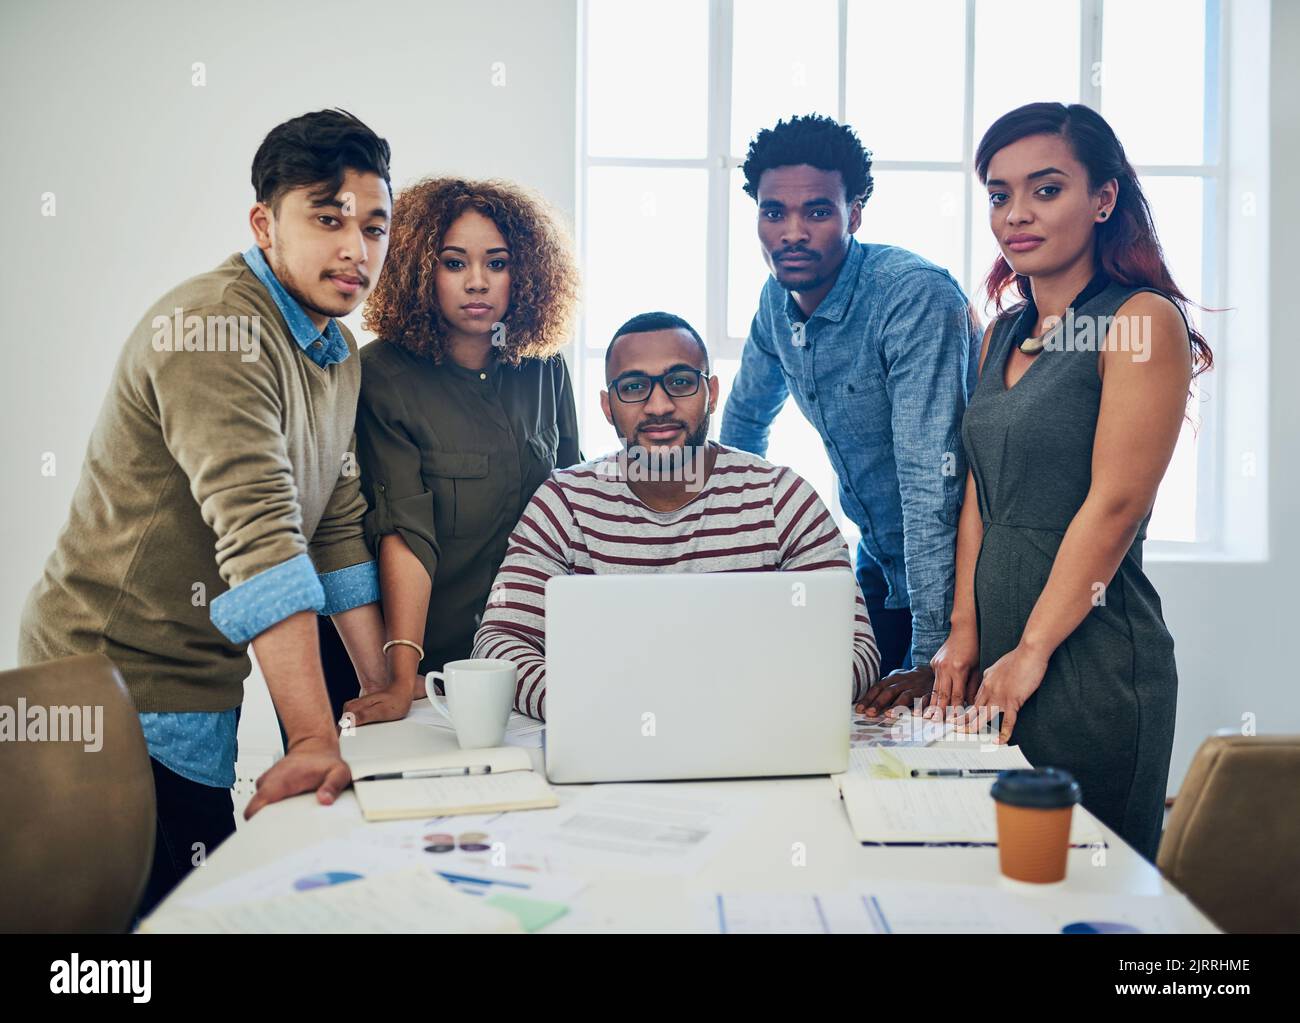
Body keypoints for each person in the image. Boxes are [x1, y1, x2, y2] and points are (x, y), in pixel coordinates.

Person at [18, 109, 409, 916]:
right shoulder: (215, 329)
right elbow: (262, 540)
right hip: (104, 691)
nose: (355, 249)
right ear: (264, 223)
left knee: (203, 903)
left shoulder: (332, 351)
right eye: (327, 217)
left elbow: (333, 529)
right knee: (120, 932)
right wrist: (309, 738)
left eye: (374, 227)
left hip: (198, 689)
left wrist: (380, 691)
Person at [867, 102, 1210, 861]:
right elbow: (980, 498)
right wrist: (961, 635)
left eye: (1046, 190)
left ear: (1104, 199)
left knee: (1089, 888)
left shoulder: (1141, 320)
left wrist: (1031, 649)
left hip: (1087, 662)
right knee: (984, 877)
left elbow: (1117, 504)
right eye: (999, 194)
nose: (1016, 214)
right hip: (994, 656)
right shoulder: (1000, 334)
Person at [472, 311, 879, 720]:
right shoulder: (564, 503)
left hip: (752, 736)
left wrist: (738, 706)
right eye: (633, 387)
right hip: (607, 739)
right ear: (607, 407)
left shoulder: (781, 499)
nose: (659, 406)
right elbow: (499, 643)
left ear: (712, 393)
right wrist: (594, 707)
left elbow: (854, 649)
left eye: (681, 382)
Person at [720, 114, 982, 678]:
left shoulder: (911, 297)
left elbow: (928, 482)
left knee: (938, 743)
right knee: (853, 731)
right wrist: (730, 561)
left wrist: (930, 660)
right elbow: (742, 426)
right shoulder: (776, 299)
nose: (791, 233)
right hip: (880, 563)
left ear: (854, 214)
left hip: (968, 584)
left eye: (816, 211)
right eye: (773, 212)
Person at [323, 178, 581, 725]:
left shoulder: (545, 367)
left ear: (526, 271)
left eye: (498, 262)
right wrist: (397, 677)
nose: (478, 282)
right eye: (455, 263)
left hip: (520, 659)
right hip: (411, 658)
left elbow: (571, 510)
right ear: (421, 269)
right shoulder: (382, 378)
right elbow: (405, 533)